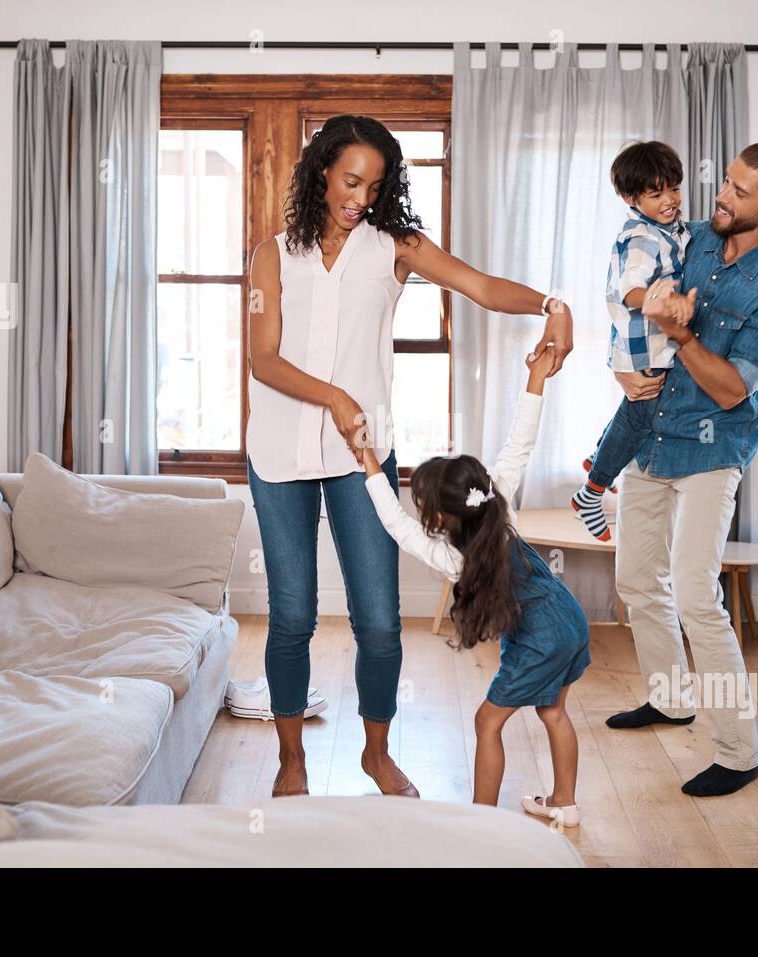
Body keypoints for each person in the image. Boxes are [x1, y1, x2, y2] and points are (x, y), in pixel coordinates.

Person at [245, 114, 573, 798]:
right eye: (348, 180)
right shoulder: (272, 255)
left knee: (379, 621)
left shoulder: (394, 246)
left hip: (362, 455)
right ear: (321, 171)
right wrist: (333, 395)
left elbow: (480, 287)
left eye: (373, 185)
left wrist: (551, 303)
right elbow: (263, 358)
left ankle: (375, 751)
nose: (359, 196)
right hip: (280, 452)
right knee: (294, 614)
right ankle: (291, 758)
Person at [608, 141, 758, 797]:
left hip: (715, 443)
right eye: (725, 181)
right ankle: (671, 699)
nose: (721, 196)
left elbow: (731, 389)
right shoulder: (689, 238)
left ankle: (738, 750)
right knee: (638, 577)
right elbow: (626, 273)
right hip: (654, 434)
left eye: (741, 191)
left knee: (696, 590)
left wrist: (684, 333)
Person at [360, 345, 590, 826]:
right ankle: (565, 804)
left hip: (541, 636)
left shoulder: (451, 556)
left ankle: (482, 826)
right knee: (552, 712)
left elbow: (397, 527)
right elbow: (519, 443)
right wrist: (537, 378)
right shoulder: (498, 502)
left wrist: (367, 461)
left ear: (442, 516)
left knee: (487, 720)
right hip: (569, 615)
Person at [571, 140, 694, 542]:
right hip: (645, 345)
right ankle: (592, 492)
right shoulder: (641, 238)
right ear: (630, 198)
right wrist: (666, 302)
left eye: (674, 188)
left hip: (645, 343)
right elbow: (630, 292)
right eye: (656, 194)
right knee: (642, 416)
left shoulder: (669, 226)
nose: (670, 200)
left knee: (633, 409)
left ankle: (597, 456)